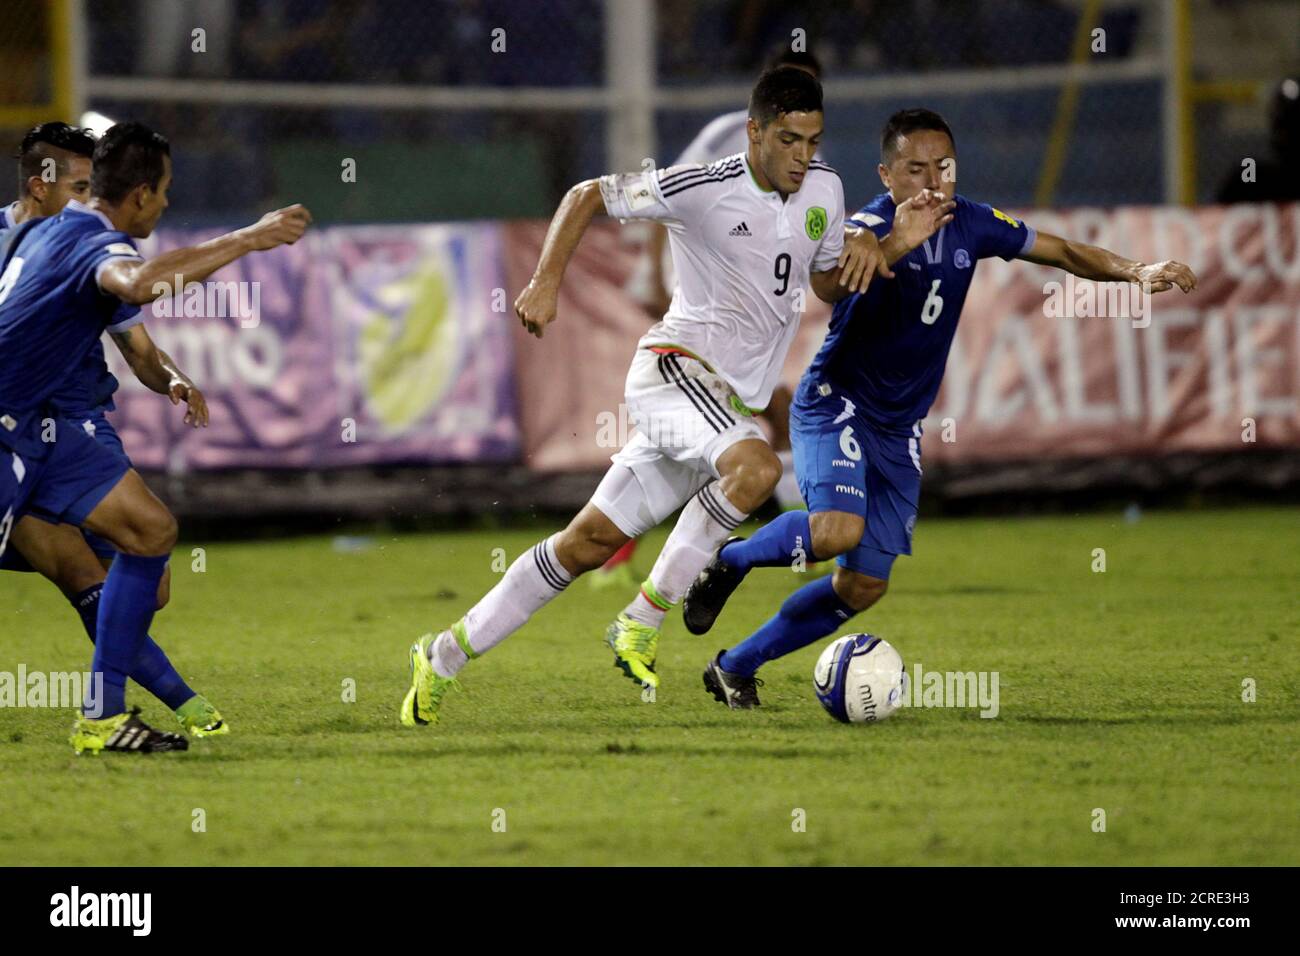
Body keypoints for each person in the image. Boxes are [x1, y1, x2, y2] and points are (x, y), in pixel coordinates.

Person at [400, 68, 950, 726]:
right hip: (673, 371)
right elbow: (586, 195)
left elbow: (827, 283)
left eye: (813, 139)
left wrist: (890, 245)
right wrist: (546, 282)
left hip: (716, 406)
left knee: (587, 544)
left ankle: (441, 657)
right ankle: (639, 620)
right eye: (788, 139)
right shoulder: (705, 185)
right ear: (754, 133)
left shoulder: (825, 189)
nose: (804, 155)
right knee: (756, 468)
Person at [683, 108, 1197, 709]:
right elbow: (828, 283)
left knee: (863, 584)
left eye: (944, 167)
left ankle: (735, 668)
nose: (933, 181)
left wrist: (1136, 270)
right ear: (887, 175)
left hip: (898, 429)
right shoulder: (866, 226)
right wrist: (895, 243)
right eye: (916, 169)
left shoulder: (974, 223)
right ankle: (734, 557)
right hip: (836, 403)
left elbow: (1060, 251)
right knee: (834, 531)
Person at [0, 121, 312, 752]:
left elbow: (129, 333)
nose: (167, 204)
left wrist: (168, 377)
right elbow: (140, 284)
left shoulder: (42, 232)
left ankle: (101, 716)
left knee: (150, 531)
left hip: (39, 428)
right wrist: (249, 238)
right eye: (164, 191)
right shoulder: (92, 242)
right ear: (140, 195)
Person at [592, 47, 827, 592]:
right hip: (701, 295)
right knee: (755, 417)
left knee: (707, 437)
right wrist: (654, 274)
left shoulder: (806, 153)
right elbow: (669, 192)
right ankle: (794, 543)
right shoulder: (729, 135)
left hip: (745, 309)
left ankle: (620, 546)